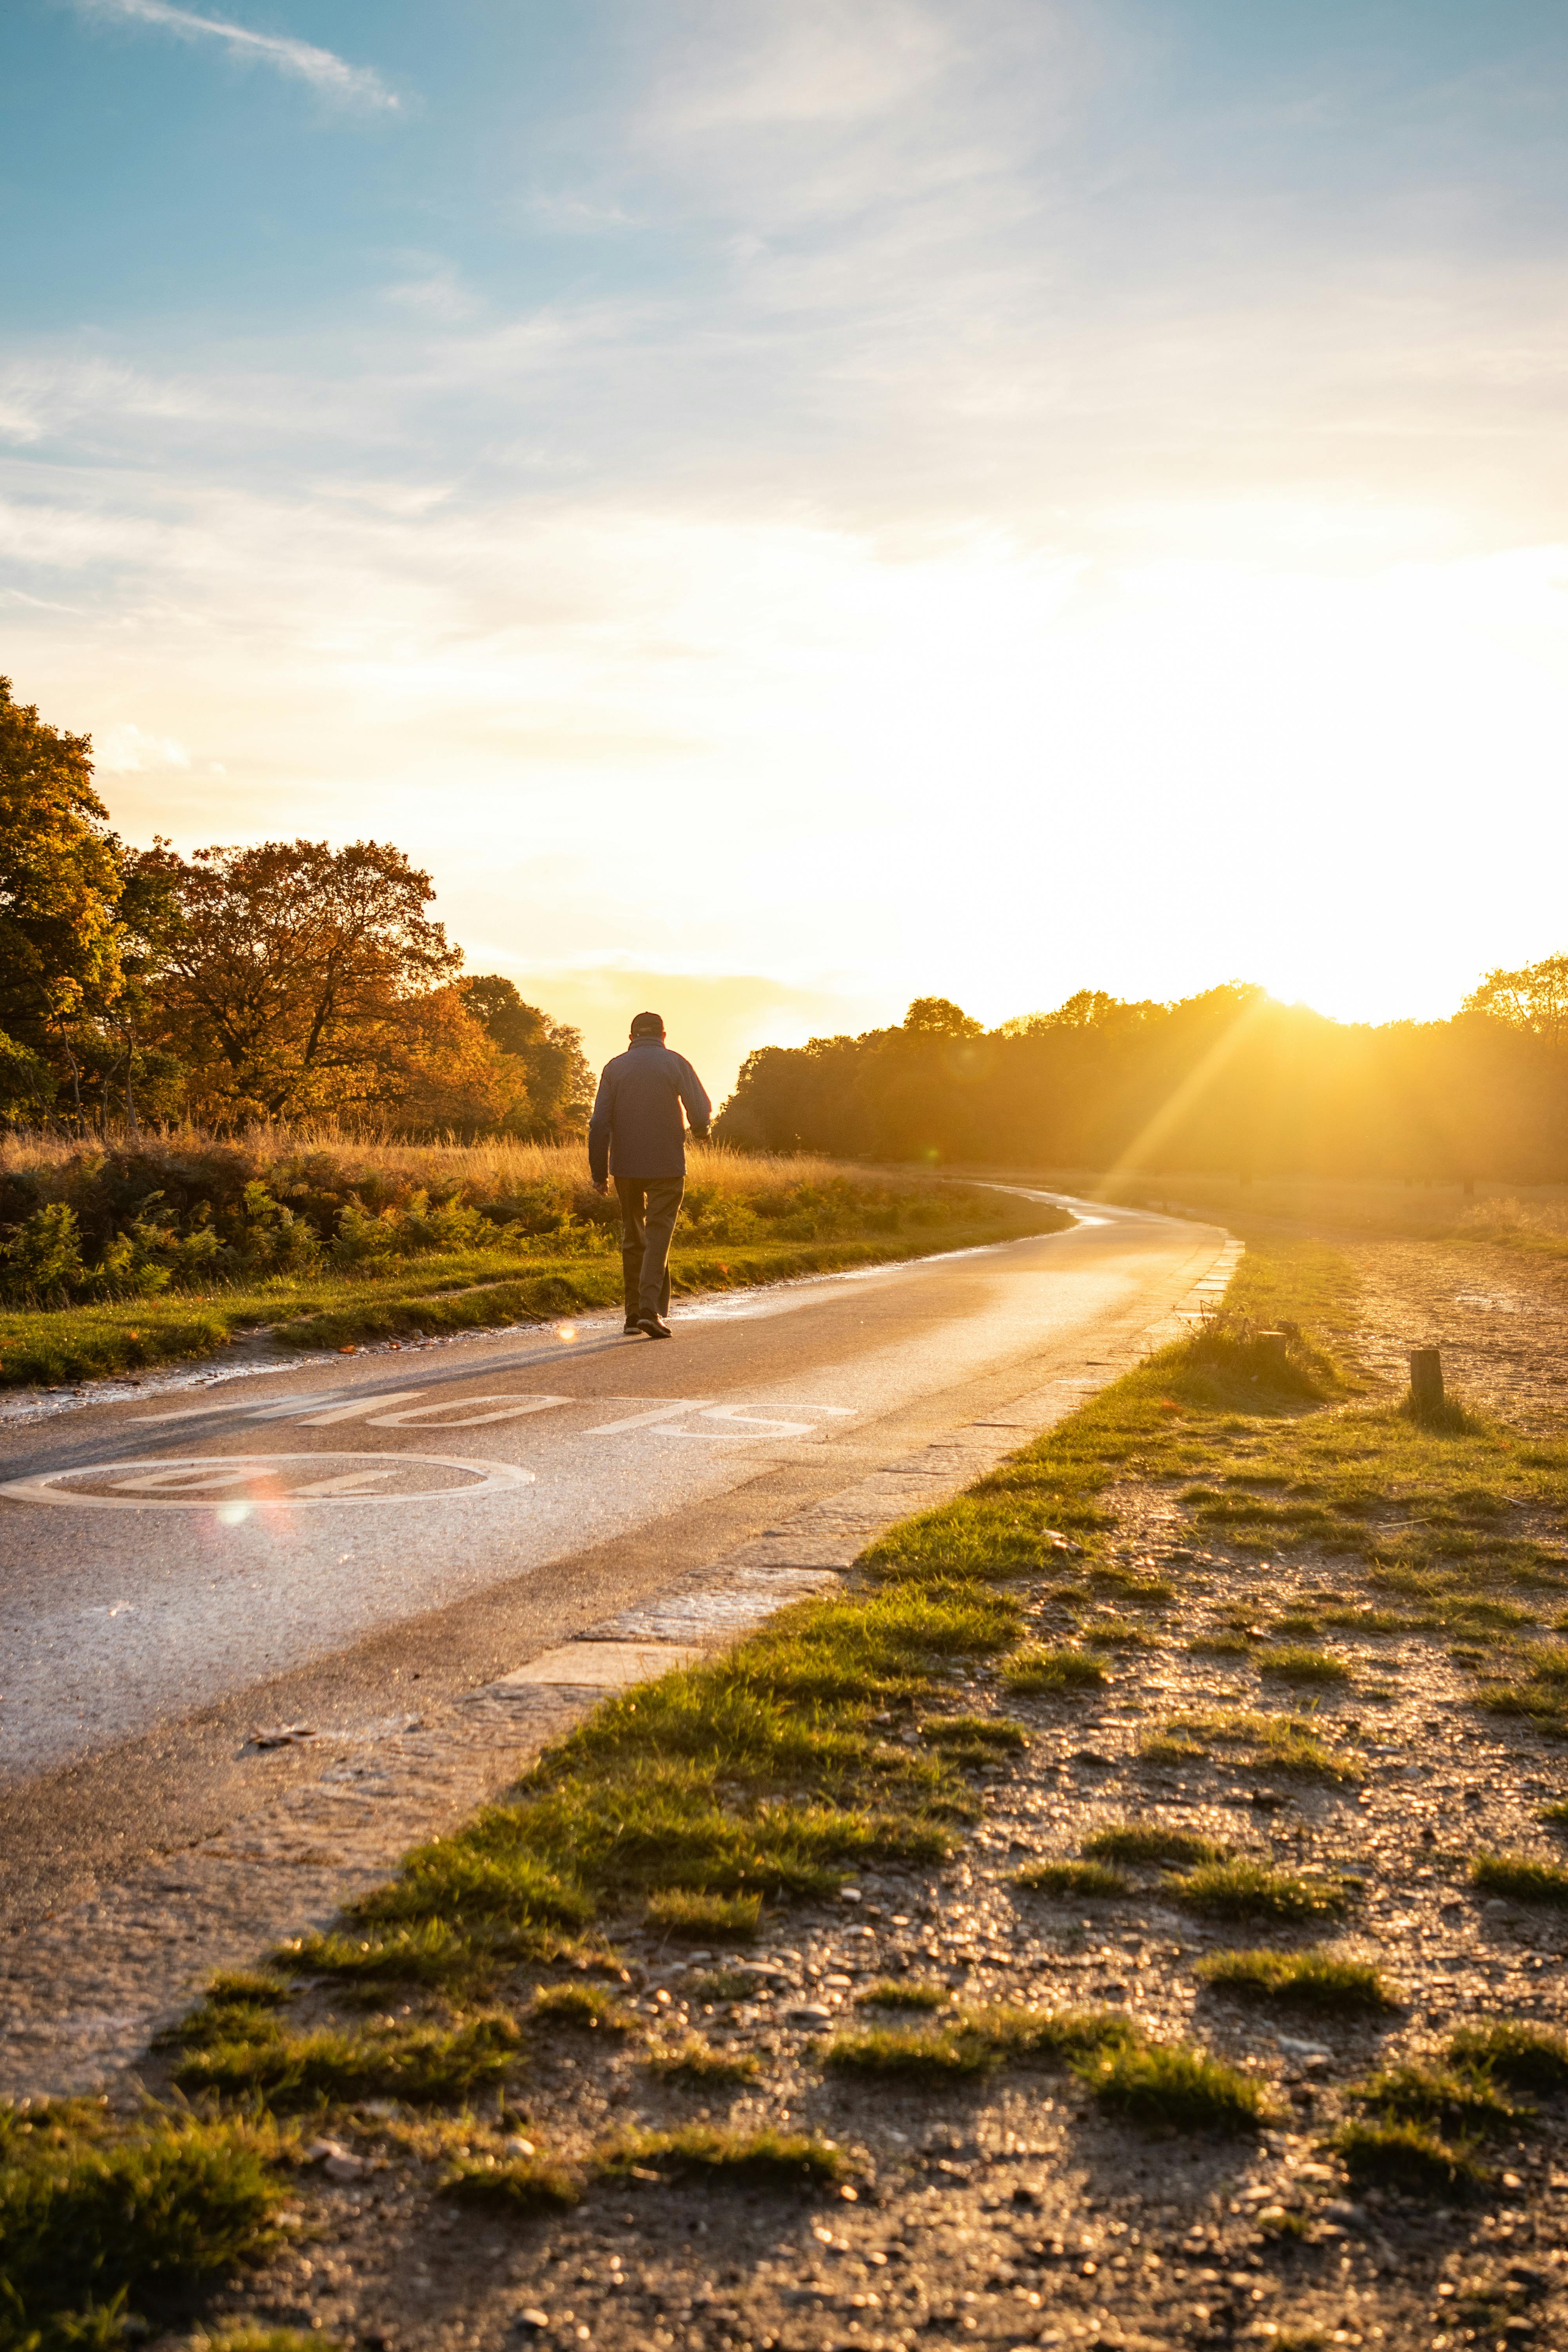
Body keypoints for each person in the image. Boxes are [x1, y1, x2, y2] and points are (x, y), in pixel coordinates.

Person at [588, 1011, 712, 1338]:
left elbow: (599, 1124)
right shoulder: (674, 1063)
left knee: (634, 1237)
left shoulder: (614, 1068)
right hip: (667, 1166)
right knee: (658, 1236)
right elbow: (698, 1107)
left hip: (625, 1168)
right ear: (663, 1035)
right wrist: (701, 1130)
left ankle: (633, 1315)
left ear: (631, 1038)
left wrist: (599, 1173)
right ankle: (649, 1310)